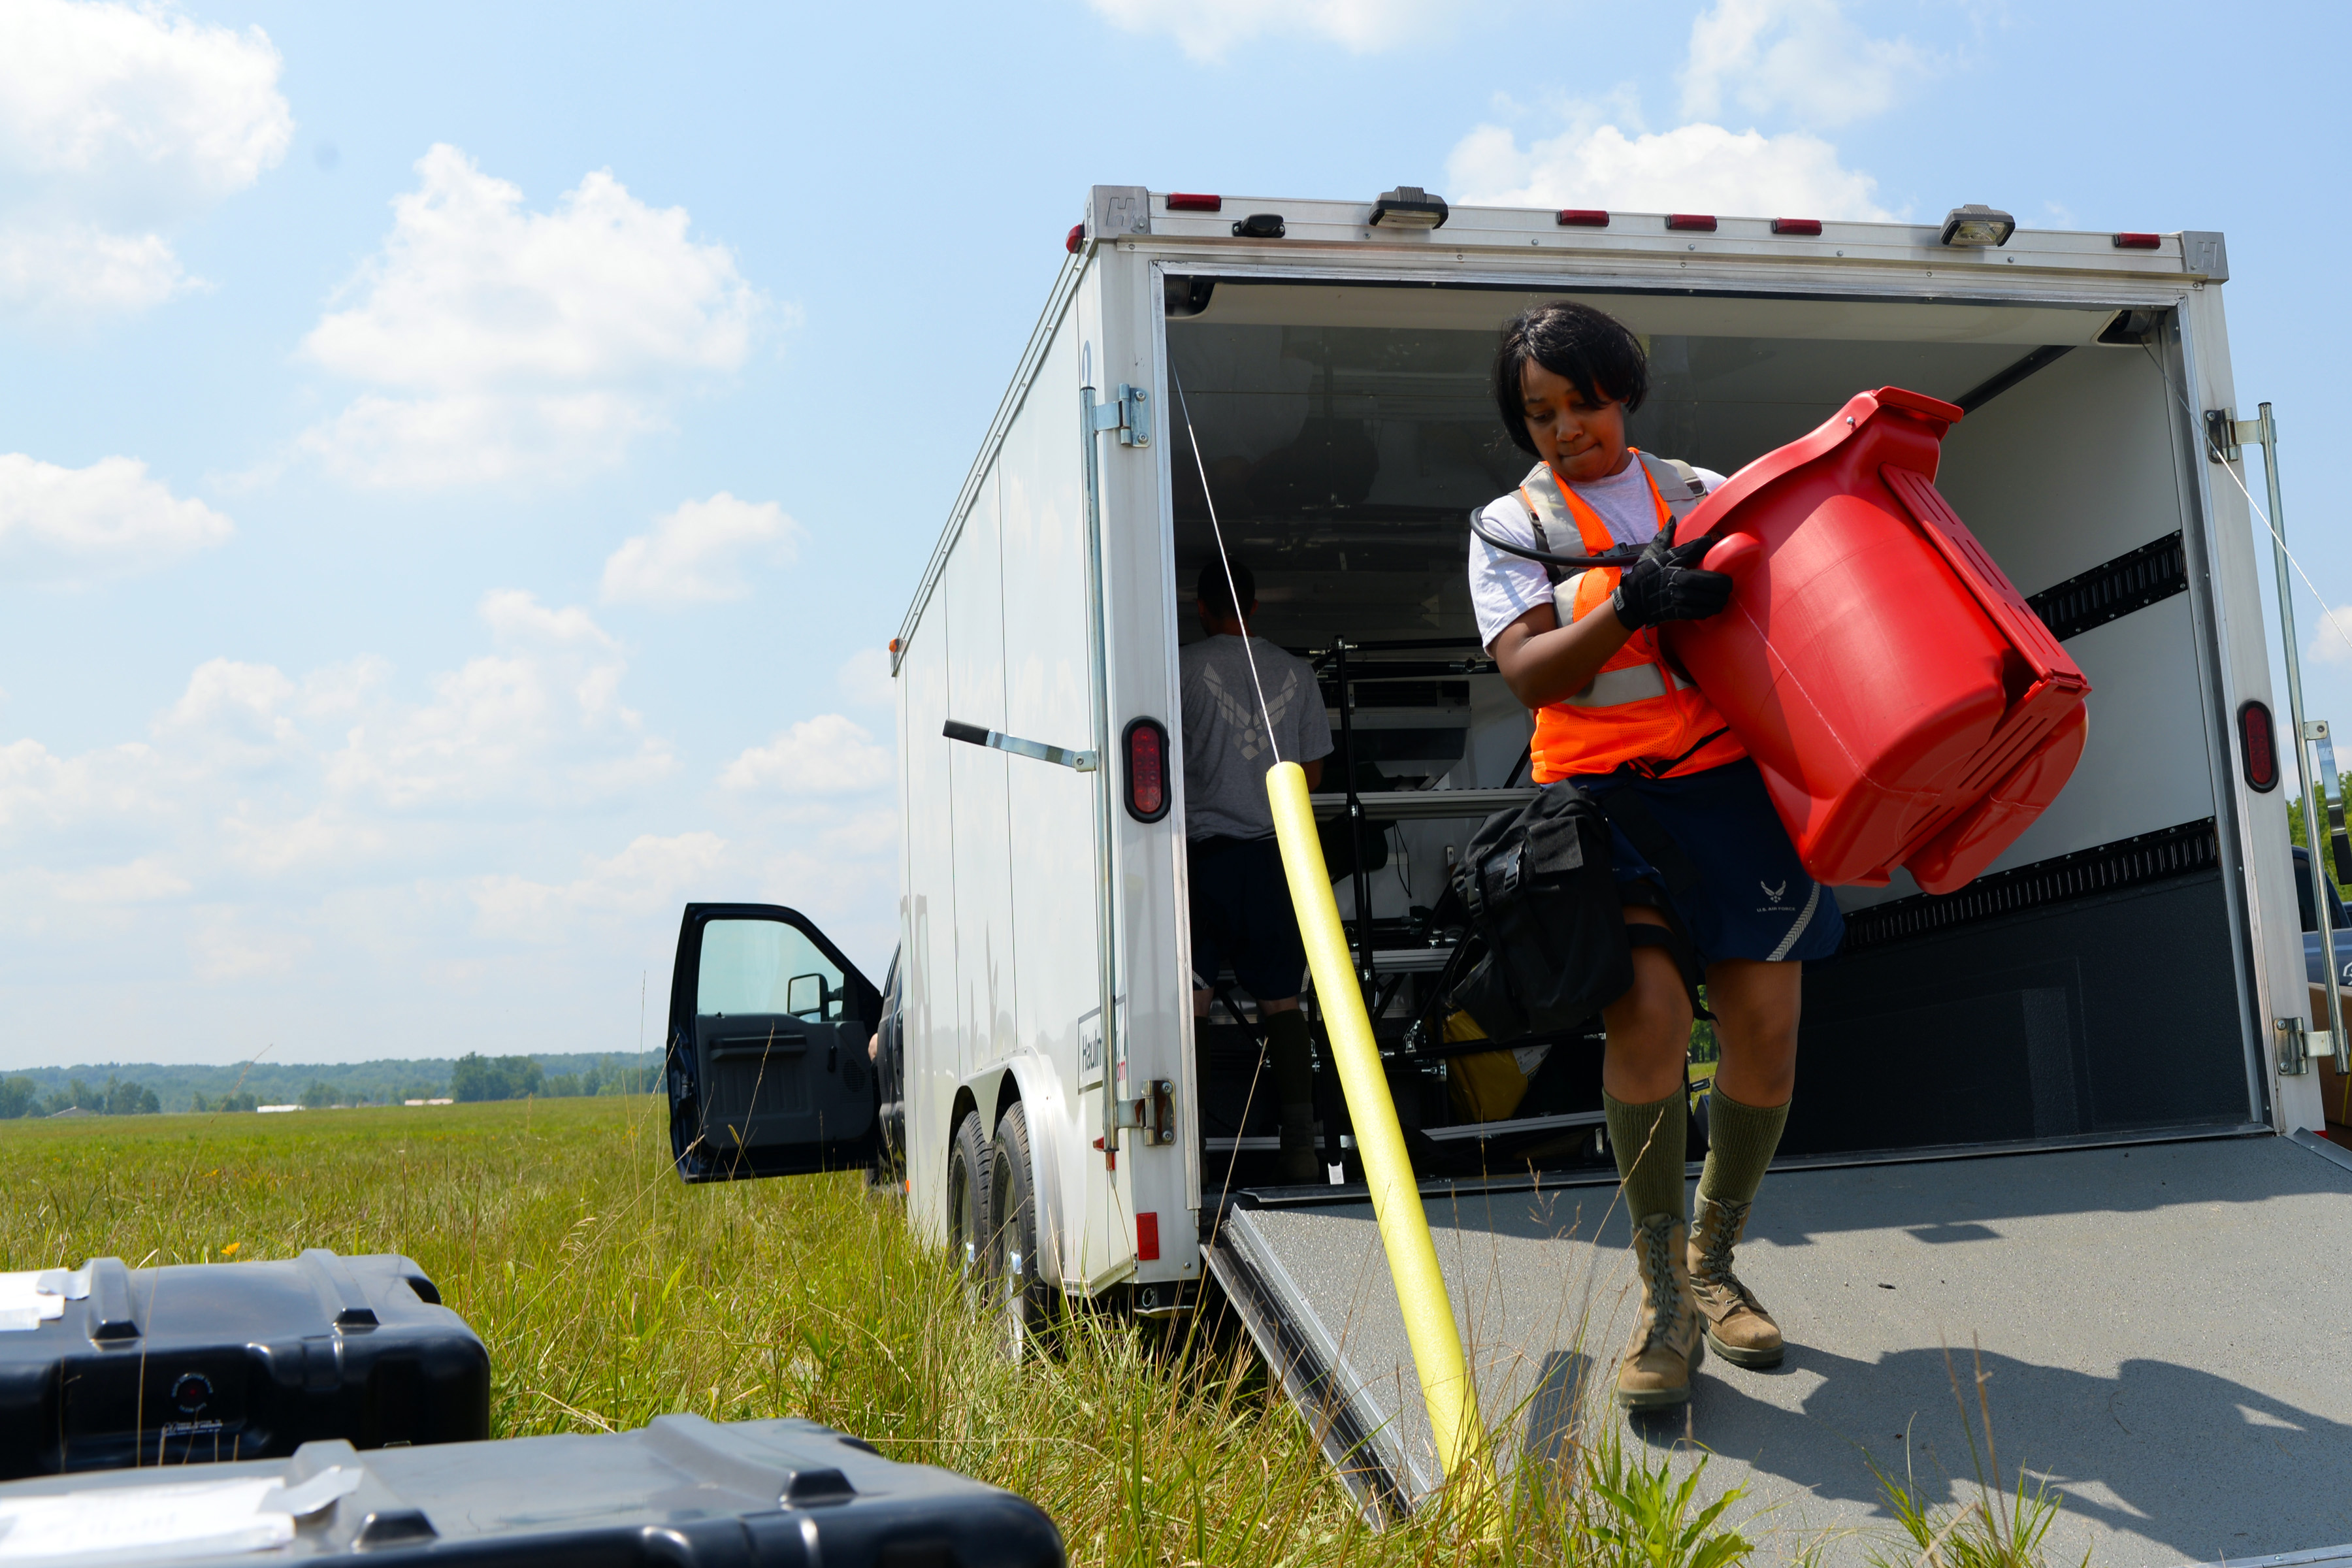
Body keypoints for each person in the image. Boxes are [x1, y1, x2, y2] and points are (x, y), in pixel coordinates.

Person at [1467, 301, 1843, 1411]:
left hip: (1730, 791)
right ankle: (1664, 1299)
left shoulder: (1704, 493)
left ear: (1622, 391)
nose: (1565, 429)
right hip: (1598, 803)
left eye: (1582, 403)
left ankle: (1714, 1263)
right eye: (1540, 413)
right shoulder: (1509, 527)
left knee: (1766, 1035)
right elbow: (1534, 676)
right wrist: (1631, 604)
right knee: (1650, 1020)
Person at [1179, 556, 1333, 1184]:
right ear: (1254, 606)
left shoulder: (1181, 670)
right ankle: (1300, 1149)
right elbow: (1312, 775)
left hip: (1201, 861)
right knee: (1282, 1002)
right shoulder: (1297, 672)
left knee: (1194, 1003)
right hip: (1274, 859)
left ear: (1201, 609)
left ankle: (1193, 1155)